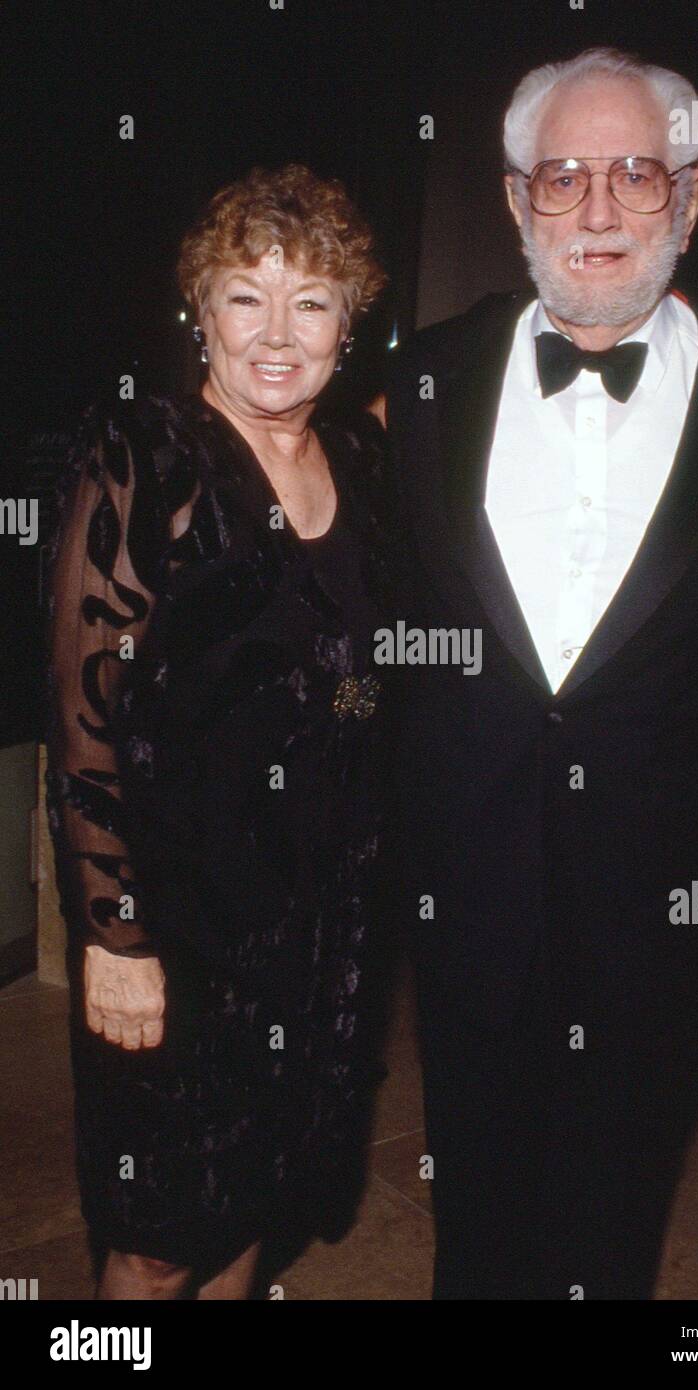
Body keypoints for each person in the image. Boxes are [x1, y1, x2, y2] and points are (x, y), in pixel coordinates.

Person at [383, 47, 698, 1298]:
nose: (596, 210)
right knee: (473, 1230)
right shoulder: (417, 385)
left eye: (635, 175)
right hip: (467, 902)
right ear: (513, 202)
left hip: (665, 922)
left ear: (690, 198)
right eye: (564, 177)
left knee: (611, 1230)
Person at [44, 164, 401, 1299]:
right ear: (201, 311)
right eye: (247, 295)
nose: (278, 333)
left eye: (313, 301)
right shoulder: (141, 455)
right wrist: (116, 934)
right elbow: (84, 714)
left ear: (350, 325)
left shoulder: (361, 460)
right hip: (178, 922)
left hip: (316, 925)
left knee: (265, 1191)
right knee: (156, 1235)